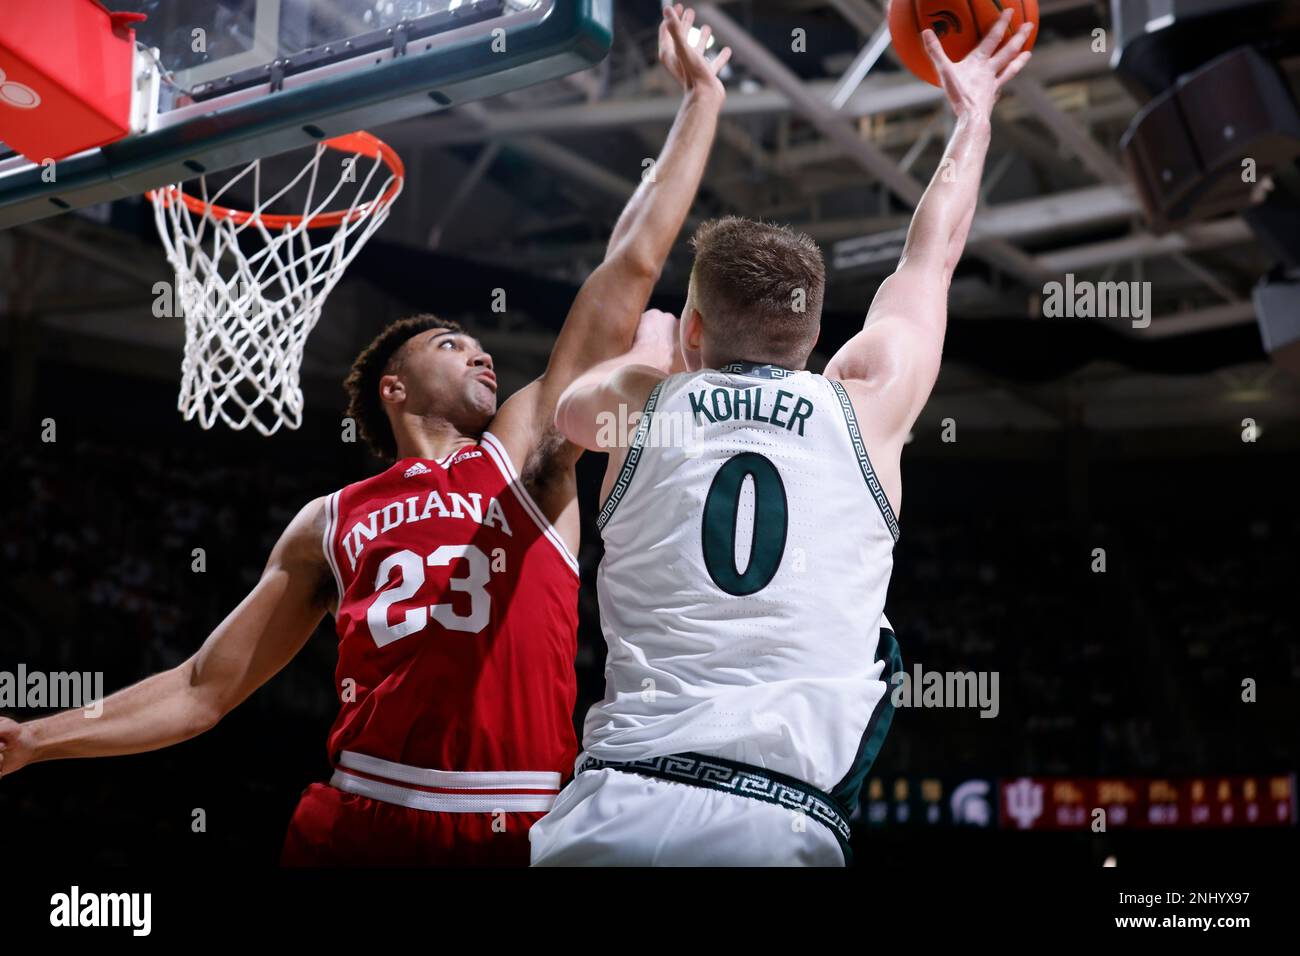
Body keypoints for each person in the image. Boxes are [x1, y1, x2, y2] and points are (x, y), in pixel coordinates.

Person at [0, 4, 730, 866]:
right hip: (360, 820)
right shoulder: (329, 521)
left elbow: (630, 264)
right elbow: (203, 688)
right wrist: (36, 739)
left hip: (513, 822)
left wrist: (702, 101)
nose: (482, 351)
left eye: (480, 342)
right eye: (451, 343)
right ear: (395, 386)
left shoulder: (524, 454)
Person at [530, 11, 1034, 866]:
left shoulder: (637, 403)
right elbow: (931, 259)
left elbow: (565, 409)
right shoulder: (867, 407)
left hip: (613, 807)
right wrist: (973, 115)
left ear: (695, 329)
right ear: (814, 339)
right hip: (772, 822)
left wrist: (654, 347)